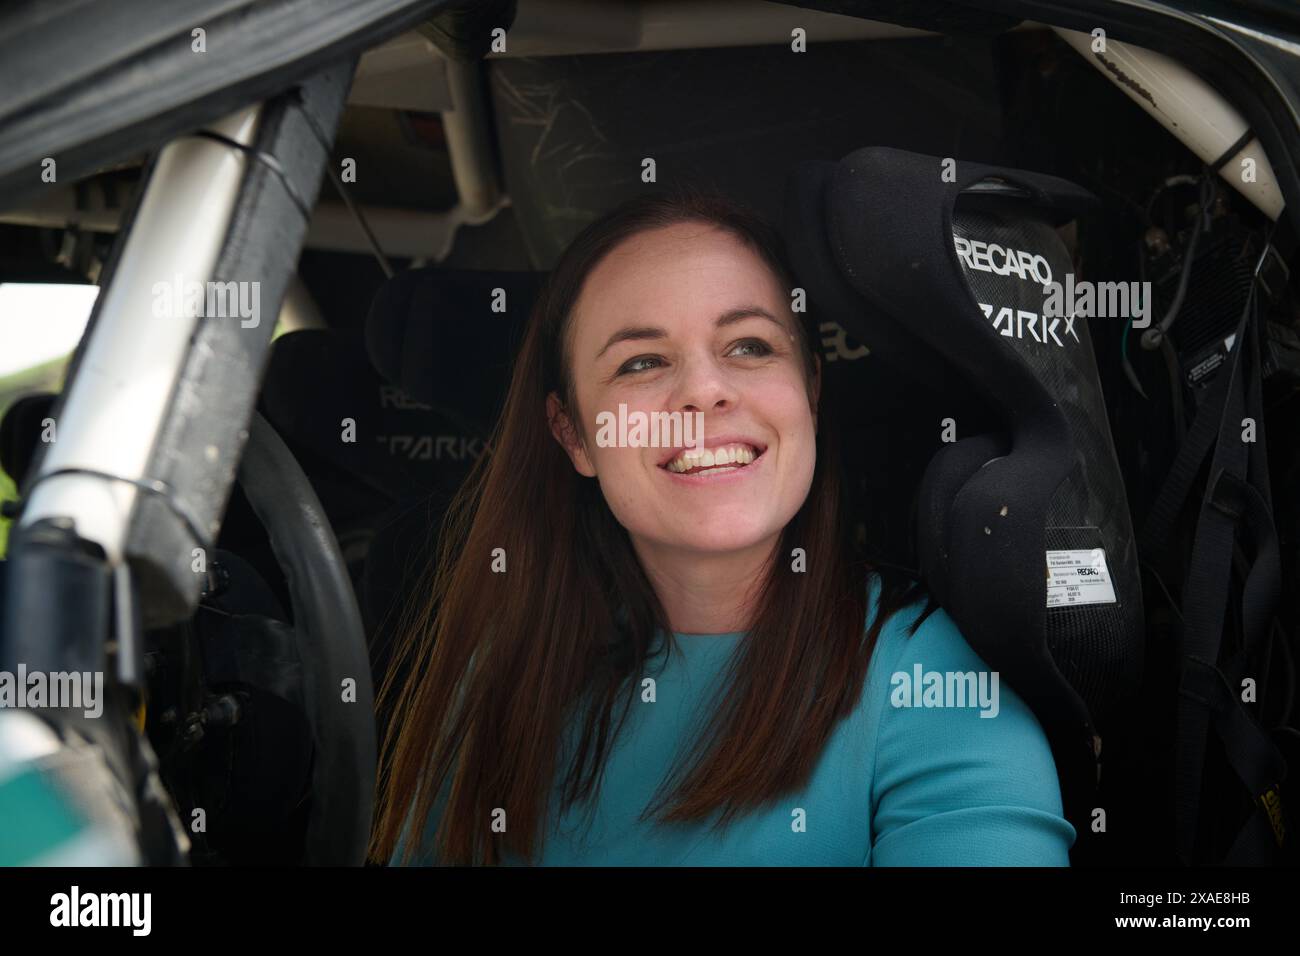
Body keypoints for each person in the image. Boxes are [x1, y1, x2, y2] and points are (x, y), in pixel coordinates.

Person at [369, 187, 1076, 866]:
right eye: (641, 362)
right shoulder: (505, 669)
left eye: (749, 346)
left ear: (810, 391)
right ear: (574, 436)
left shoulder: (928, 685)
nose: (706, 389)